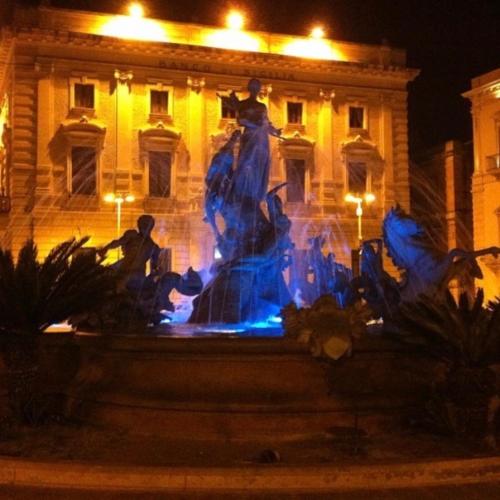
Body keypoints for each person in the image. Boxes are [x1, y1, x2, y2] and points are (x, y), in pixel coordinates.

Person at [218, 78, 281, 203]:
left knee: (259, 167)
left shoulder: (262, 106)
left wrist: (275, 131)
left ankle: (255, 194)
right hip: (249, 137)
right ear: (249, 88)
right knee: (246, 164)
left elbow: (266, 123)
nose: (255, 90)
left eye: (257, 88)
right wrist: (257, 125)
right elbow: (241, 120)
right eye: (253, 87)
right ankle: (244, 192)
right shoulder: (243, 104)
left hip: (261, 140)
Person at [98, 215, 160, 290]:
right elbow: (118, 242)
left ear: (151, 226)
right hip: (125, 271)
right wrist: (106, 248)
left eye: (145, 224)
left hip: (135, 275)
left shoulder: (154, 247)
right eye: (141, 224)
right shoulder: (133, 235)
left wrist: (156, 273)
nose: (143, 226)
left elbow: (155, 267)